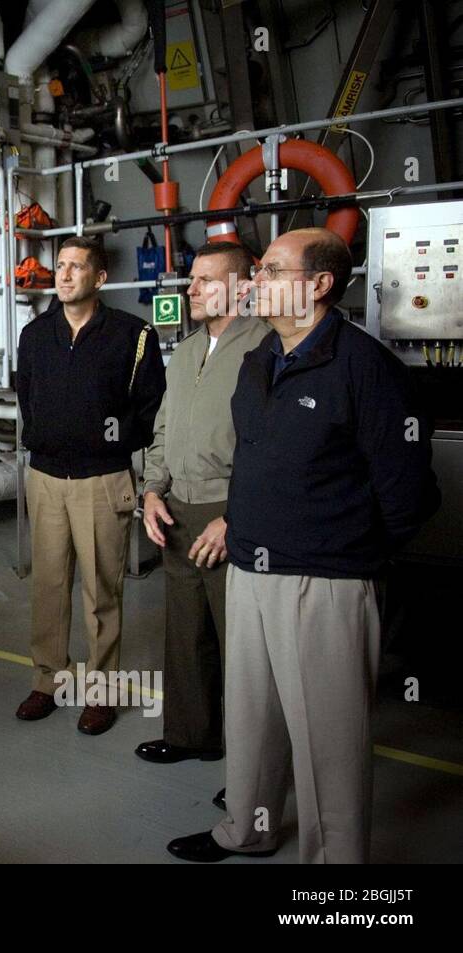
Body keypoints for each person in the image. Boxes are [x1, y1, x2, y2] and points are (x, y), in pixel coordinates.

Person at [167, 227, 439, 863]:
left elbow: (409, 497)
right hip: (251, 571)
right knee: (253, 721)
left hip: (325, 584)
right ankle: (247, 829)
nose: (255, 282)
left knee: (329, 745)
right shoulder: (260, 360)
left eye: (270, 270)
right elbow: (259, 464)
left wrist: (346, 556)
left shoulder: (366, 369)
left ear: (318, 285)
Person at [14, 236, 166, 734]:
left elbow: (150, 408)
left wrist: (101, 439)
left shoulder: (132, 335)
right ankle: (47, 680)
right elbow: (28, 401)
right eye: (59, 266)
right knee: (48, 585)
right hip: (45, 477)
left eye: (76, 267)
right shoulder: (35, 335)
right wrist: (51, 439)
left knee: (101, 589)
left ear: (99, 279)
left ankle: (102, 690)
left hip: (102, 479)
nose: (63, 275)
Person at [137, 242, 267, 774]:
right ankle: (192, 735)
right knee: (185, 632)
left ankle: (252, 770)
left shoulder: (266, 349)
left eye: (206, 281)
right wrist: (151, 489)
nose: (192, 289)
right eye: (192, 279)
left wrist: (235, 516)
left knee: (243, 646)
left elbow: (272, 448)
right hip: (178, 509)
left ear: (241, 286)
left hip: (230, 512)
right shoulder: (188, 349)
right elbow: (164, 427)